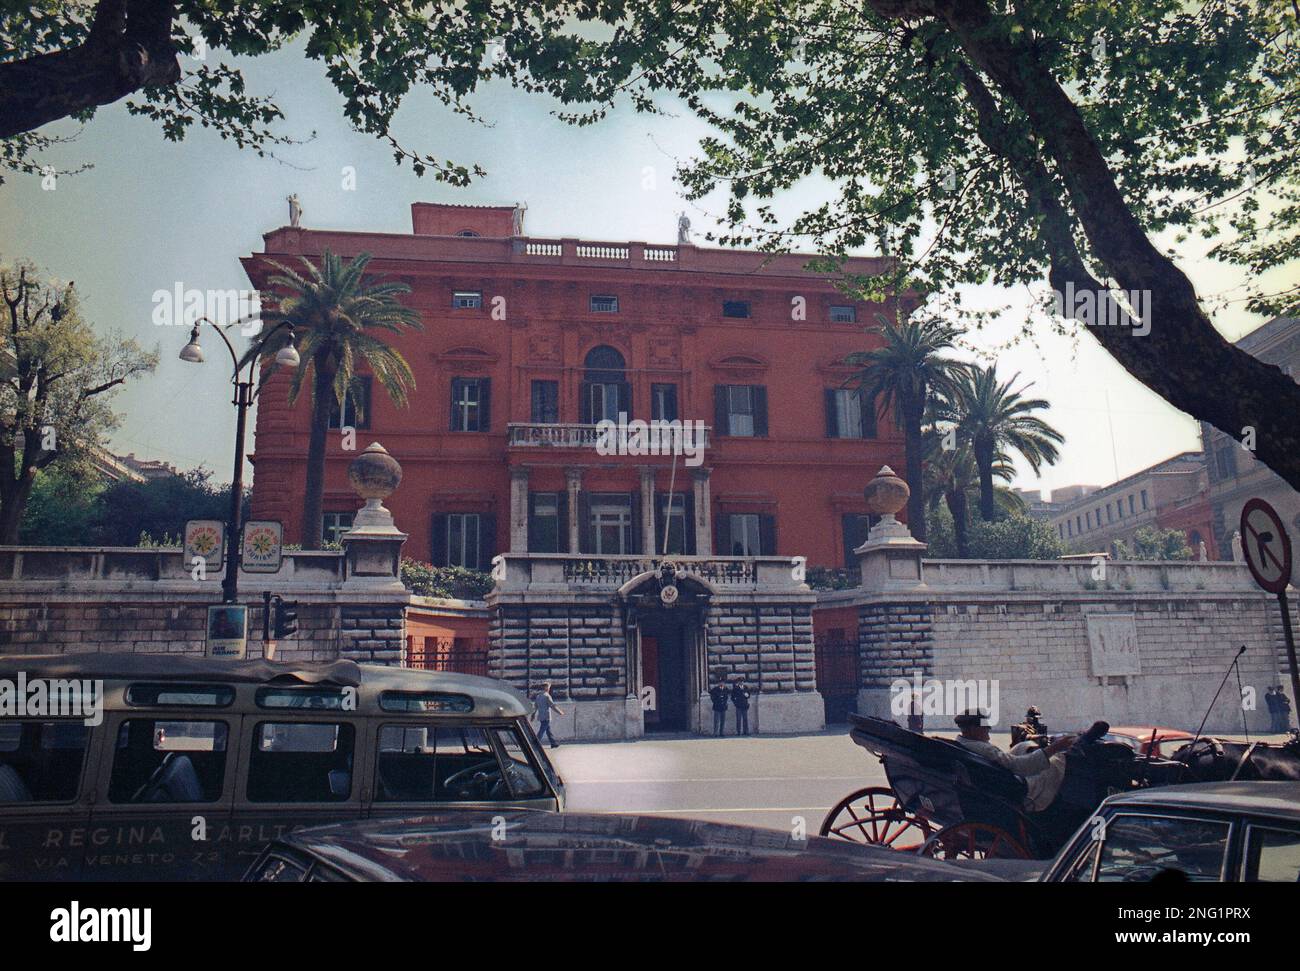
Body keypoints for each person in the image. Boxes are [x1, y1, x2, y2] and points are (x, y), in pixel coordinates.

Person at [952, 709, 1087, 813]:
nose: (989, 729)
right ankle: (1079, 743)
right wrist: (1053, 748)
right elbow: (1020, 766)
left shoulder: (961, 743)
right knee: (1057, 760)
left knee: (1023, 746)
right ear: (973, 729)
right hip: (1015, 791)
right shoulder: (983, 749)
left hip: (993, 781)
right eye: (985, 726)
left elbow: (1005, 760)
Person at [532, 682, 564, 749]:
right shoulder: (547, 696)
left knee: (548, 730)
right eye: (549, 687)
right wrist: (560, 712)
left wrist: (533, 715)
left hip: (541, 716)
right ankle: (535, 743)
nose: (549, 689)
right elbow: (552, 706)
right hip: (546, 716)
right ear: (546, 687)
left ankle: (553, 743)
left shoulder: (538, 696)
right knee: (542, 730)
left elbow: (535, 706)